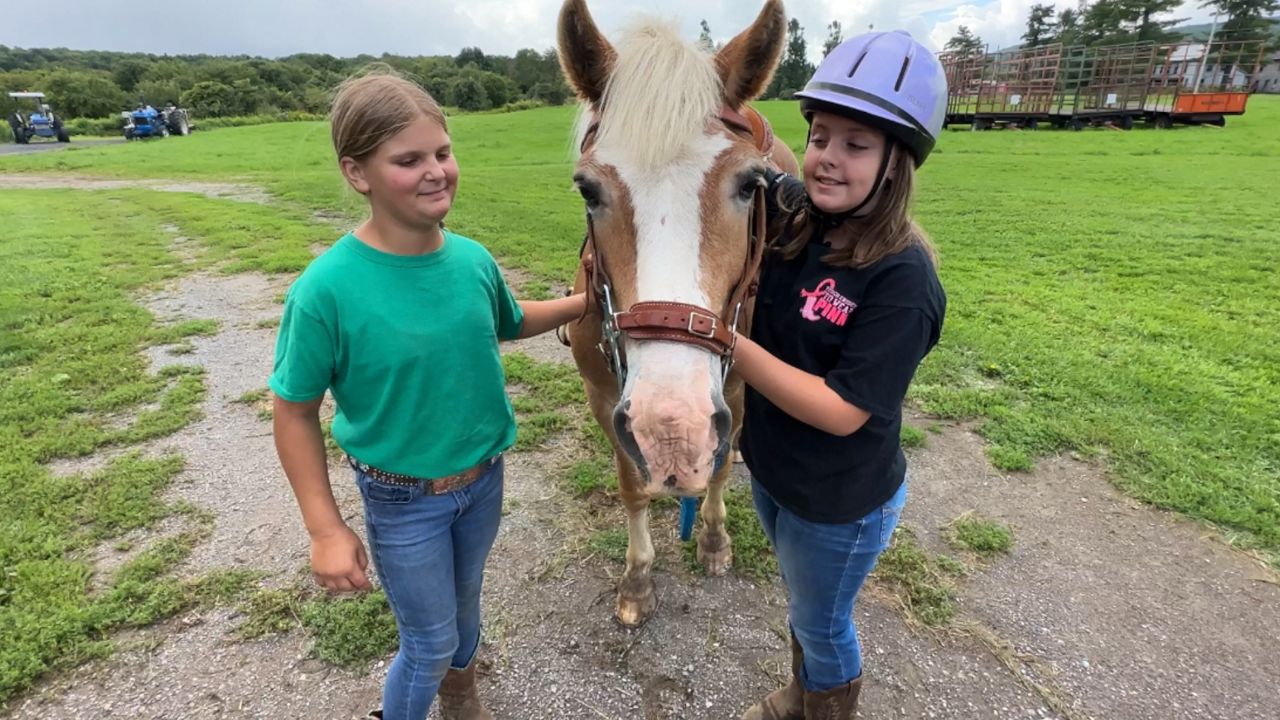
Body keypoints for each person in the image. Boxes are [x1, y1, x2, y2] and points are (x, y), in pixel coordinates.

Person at [269, 69, 585, 720]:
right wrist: (325, 528)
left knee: (465, 609)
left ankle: (460, 698)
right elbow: (293, 411)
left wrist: (586, 304)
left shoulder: (472, 260)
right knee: (429, 641)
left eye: (442, 152)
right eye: (408, 160)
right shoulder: (325, 289)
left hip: (483, 482)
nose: (436, 171)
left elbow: (508, 321)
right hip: (402, 500)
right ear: (357, 173)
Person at [731, 31, 949, 720]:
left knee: (823, 623)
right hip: (775, 471)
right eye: (820, 137)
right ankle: (802, 696)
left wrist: (726, 342)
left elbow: (842, 410)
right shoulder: (798, 215)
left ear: (895, 164)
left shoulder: (903, 280)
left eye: (856, 145)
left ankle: (820, 706)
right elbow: (732, 160)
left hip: (838, 502)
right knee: (805, 603)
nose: (828, 157)